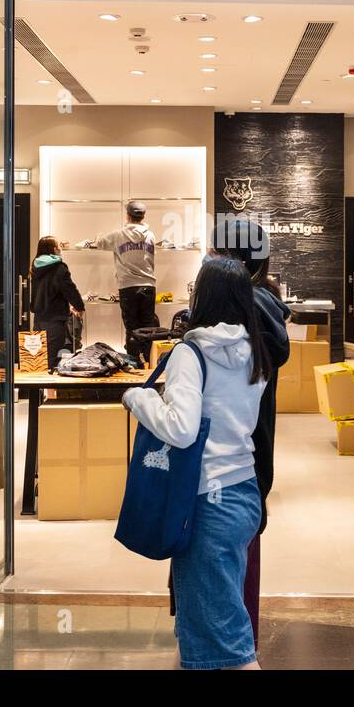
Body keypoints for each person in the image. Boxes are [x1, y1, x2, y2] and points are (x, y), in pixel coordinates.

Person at [122, 257, 271, 670]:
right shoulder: (254, 350)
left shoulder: (191, 353)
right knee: (205, 625)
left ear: (201, 295)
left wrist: (141, 399)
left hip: (207, 498)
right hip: (243, 493)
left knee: (228, 643)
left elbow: (182, 430)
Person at [208, 217, 291, 648]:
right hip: (251, 454)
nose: (209, 259)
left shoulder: (242, 310)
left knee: (228, 561)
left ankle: (232, 647)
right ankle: (237, 641)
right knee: (240, 553)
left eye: (216, 253)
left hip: (232, 459)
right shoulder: (265, 302)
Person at [94, 200, 157, 363]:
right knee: (148, 326)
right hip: (148, 285)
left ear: (127, 216)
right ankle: (150, 360)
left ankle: (133, 362)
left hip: (128, 286)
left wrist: (98, 236)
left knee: (131, 327)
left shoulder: (118, 235)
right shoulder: (150, 235)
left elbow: (99, 243)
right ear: (144, 216)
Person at [30, 235, 85, 371]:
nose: (60, 249)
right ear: (54, 249)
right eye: (59, 247)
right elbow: (69, 289)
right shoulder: (58, 267)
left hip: (39, 318)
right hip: (55, 318)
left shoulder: (35, 267)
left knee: (39, 357)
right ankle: (50, 392)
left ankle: (42, 391)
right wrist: (79, 306)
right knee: (53, 358)